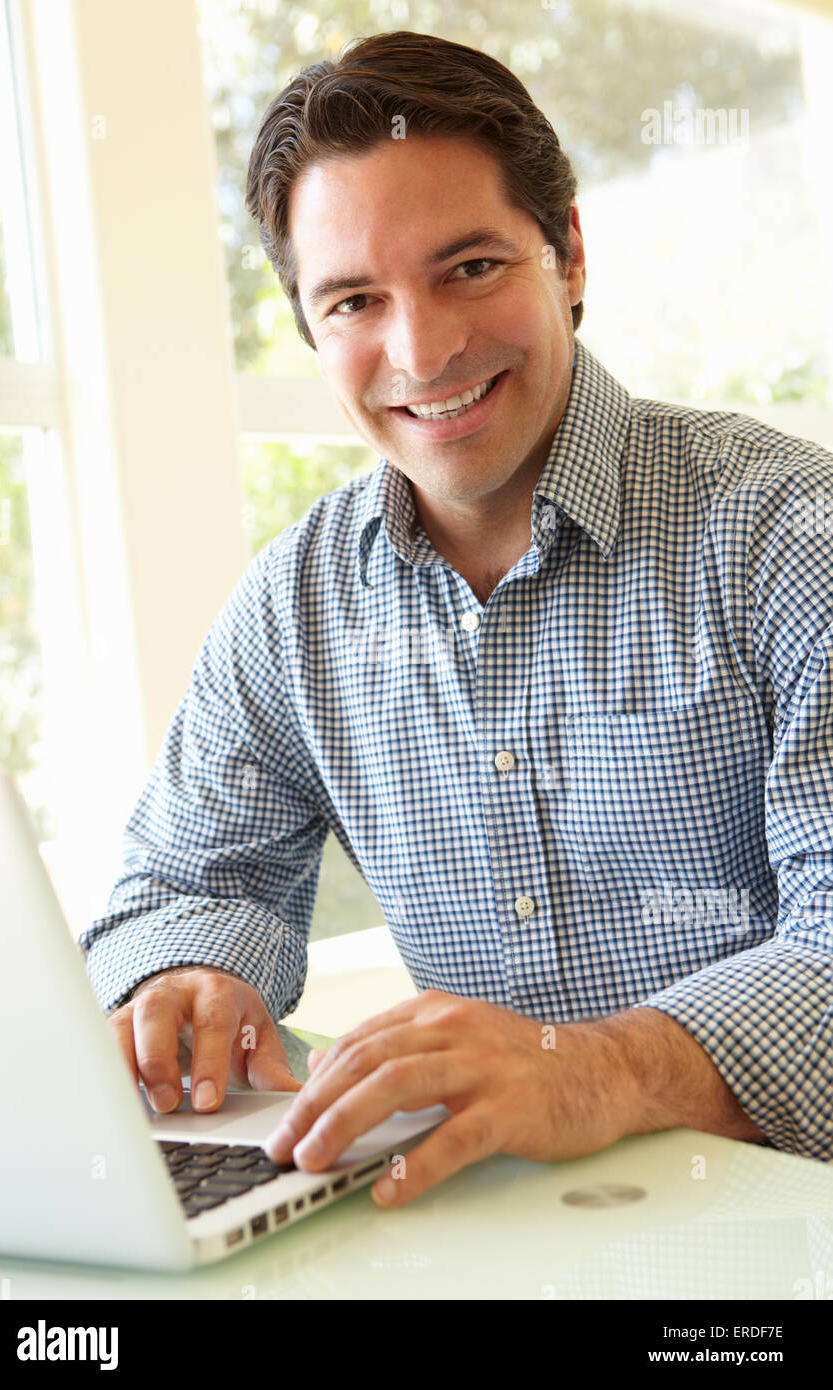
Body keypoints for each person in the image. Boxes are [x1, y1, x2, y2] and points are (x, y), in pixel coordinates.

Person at [79, 30, 833, 1209]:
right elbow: (183, 879)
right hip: (490, 1237)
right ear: (307, 329)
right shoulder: (293, 608)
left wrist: (595, 1072)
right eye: (353, 300)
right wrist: (187, 973)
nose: (421, 348)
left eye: (470, 266)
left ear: (568, 252)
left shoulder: (790, 536)